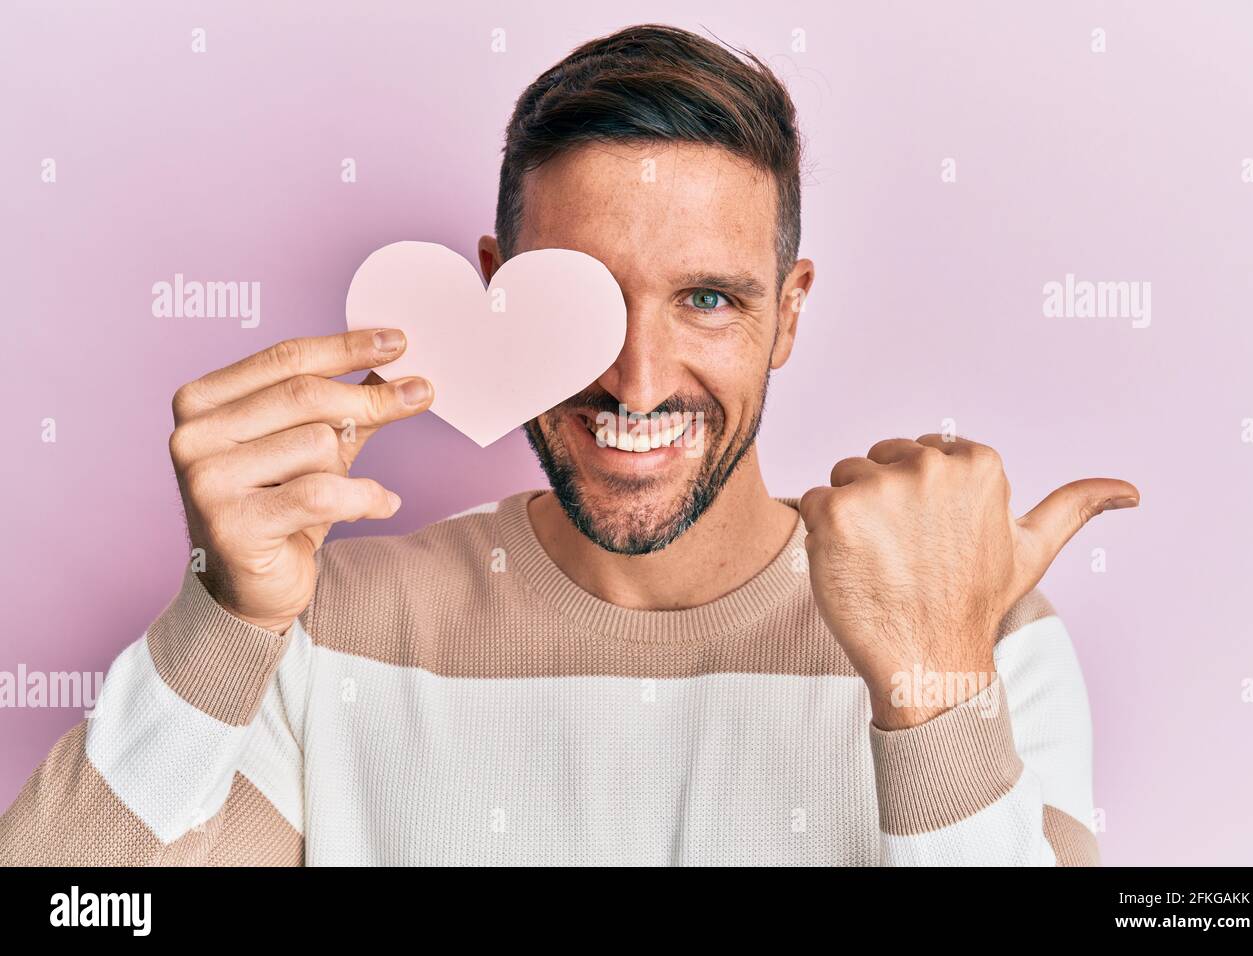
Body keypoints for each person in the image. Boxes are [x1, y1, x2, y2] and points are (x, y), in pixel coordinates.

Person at [0, 24, 1136, 865]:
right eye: (582, 297)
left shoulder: (979, 638)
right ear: (492, 289)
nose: (636, 380)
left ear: (787, 312)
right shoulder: (330, 630)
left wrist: (932, 691)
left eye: (707, 299)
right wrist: (222, 621)